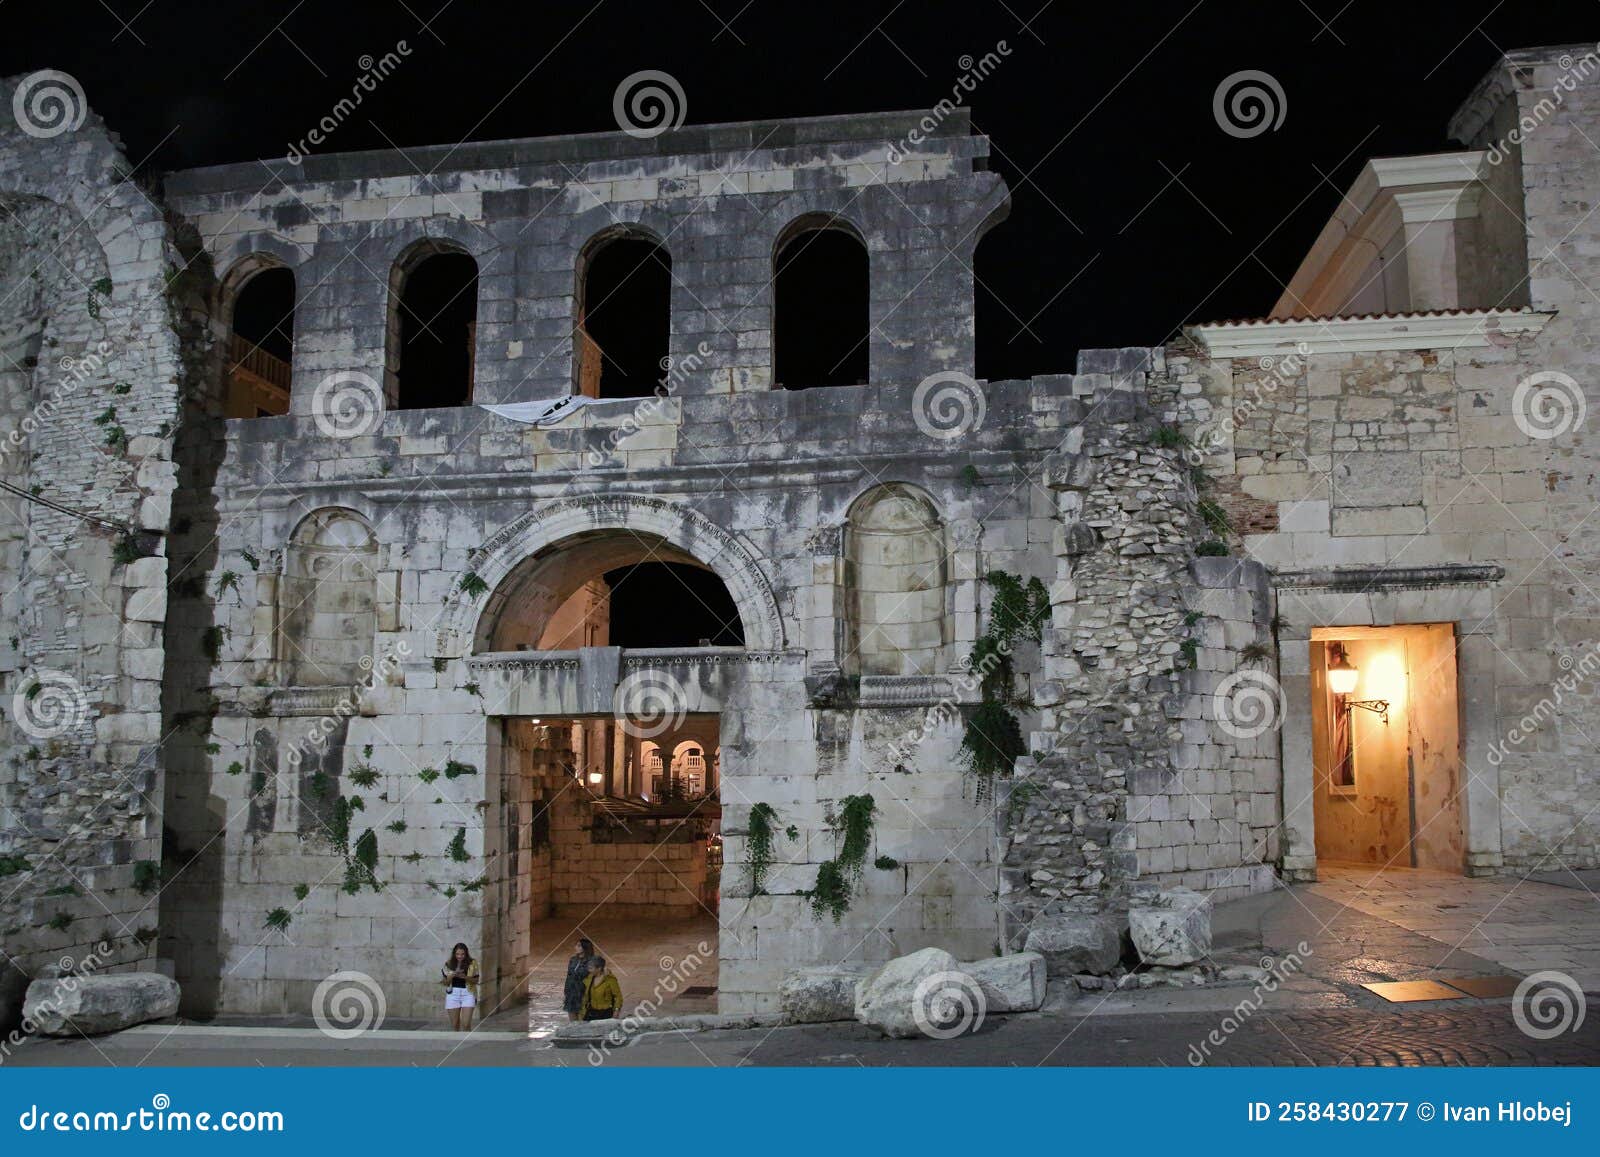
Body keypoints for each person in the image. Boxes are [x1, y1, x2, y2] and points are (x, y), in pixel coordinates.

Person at [441, 943, 480, 1031]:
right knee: (455, 1025)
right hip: (453, 994)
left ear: (466, 954)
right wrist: (452, 975)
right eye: (457, 954)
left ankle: (466, 1041)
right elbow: (445, 983)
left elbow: (476, 980)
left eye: (462, 954)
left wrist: (464, 977)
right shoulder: (448, 964)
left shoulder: (472, 963)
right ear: (454, 954)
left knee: (466, 1024)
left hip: (468, 993)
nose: (460, 956)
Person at [580, 956, 622, 1021]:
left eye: (591, 968)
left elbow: (618, 996)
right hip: (592, 1012)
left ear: (599, 968)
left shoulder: (610, 979)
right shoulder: (589, 978)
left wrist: (616, 1011)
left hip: (606, 1013)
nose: (589, 970)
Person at [562, 937, 594, 1021]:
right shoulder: (573, 960)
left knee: (583, 1019)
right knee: (572, 1018)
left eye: (579, 946)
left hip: (583, 992)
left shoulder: (591, 961)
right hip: (572, 993)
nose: (576, 947)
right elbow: (568, 976)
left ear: (585, 947)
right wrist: (566, 991)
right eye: (576, 945)